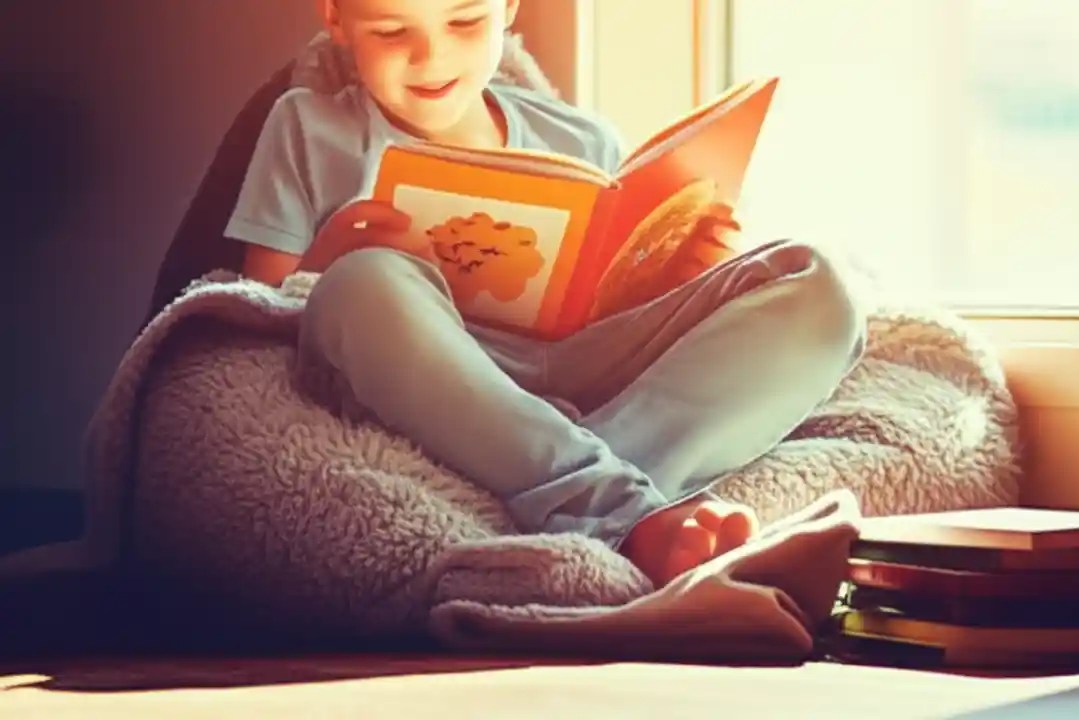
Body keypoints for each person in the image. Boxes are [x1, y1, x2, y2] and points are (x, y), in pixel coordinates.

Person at [227, 0, 866, 586]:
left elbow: (616, 303)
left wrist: (680, 271)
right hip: (434, 372)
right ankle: (620, 510)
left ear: (507, 7)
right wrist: (329, 259)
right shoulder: (307, 126)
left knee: (817, 286)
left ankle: (544, 472)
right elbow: (258, 302)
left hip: (582, 362)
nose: (431, 57)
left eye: (464, 22)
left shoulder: (581, 140)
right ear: (336, 18)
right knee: (362, 284)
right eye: (392, 32)